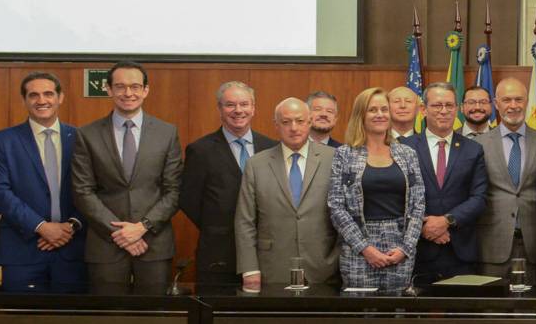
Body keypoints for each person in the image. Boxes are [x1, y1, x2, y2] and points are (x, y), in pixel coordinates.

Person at [72, 61, 183, 290]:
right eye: (120, 86)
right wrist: (120, 233)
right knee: (108, 320)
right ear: (109, 89)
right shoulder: (87, 134)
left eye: (134, 86)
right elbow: (82, 191)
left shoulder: (167, 133)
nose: (128, 93)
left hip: (153, 243)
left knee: (156, 320)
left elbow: (174, 190)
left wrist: (142, 227)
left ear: (146, 90)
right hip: (106, 245)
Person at [0, 71, 85, 292]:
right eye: (34, 95)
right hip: (22, 250)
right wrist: (41, 227)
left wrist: (71, 225)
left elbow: (93, 189)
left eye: (48, 94)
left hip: (72, 249)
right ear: (24, 100)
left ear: (60, 97)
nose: (42, 101)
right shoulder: (3, 141)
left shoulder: (81, 138)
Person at [180, 80, 278, 290]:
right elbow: (189, 200)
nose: (238, 110)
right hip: (219, 254)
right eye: (230, 105)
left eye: (244, 104)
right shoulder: (200, 150)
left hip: (266, 254)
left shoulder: (272, 148)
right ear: (220, 109)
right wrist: (220, 225)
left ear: (253, 108)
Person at [234, 98, 340, 290]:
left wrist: (335, 260)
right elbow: (245, 221)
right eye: (286, 122)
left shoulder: (334, 159)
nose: (293, 128)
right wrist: (249, 268)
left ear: (309, 123)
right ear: (276, 125)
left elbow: (347, 214)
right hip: (271, 267)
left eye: (300, 121)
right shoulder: (256, 164)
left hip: (323, 267)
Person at [328, 86, 426, 292]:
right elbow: (336, 207)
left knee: (397, 317)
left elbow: (418, 205)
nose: (380, 115)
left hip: (399, 248)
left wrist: (405, 247)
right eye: (372, 110)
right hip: (358, 249)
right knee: (362, 320)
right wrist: (365, 248)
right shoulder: (344, 154)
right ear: (360, 115)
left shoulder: (407, 154)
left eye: (384, 109)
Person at [403, 82, 490, 285]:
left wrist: (446, 221)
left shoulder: (473, 149)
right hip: (418, 249)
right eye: (437, 105)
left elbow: (479, 198)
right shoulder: (405, 148)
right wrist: (424, 224)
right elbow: (400, 196)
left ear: (457, 109)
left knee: (461, 315)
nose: (444, 111)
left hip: (460, 249)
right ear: (424, 109)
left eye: (449, 106)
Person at [475, 77, 536, 284]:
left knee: (529, 311)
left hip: (534, 242)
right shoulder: (478, 145)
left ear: (527, 102)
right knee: (491, 311)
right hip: (492, 243)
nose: (513, 106)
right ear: (496, 104)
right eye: (507, 100)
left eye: (519, 100)